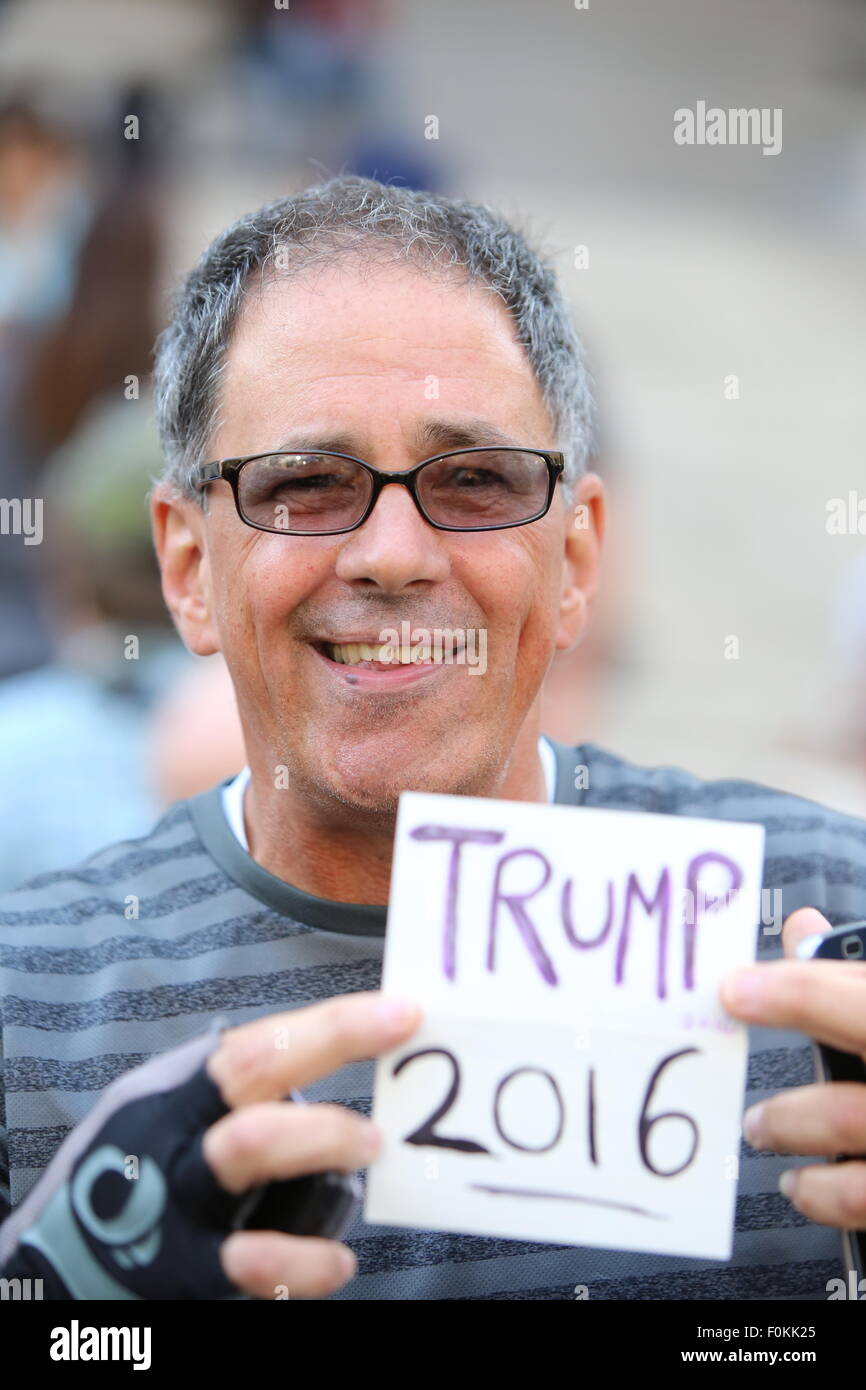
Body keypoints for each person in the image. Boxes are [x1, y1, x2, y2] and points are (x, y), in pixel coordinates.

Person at [1, 175, 865, 1301]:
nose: (393, 553)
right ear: (185, 568)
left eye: (472, 480)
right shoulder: (23, 1000)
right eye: (306, 484)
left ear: (577, 561)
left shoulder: (831, 934)